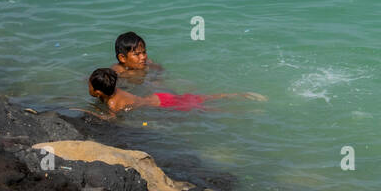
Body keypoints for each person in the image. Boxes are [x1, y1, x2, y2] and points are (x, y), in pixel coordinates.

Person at [87, 68, 264, 114]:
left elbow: (113, 117)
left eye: (89, 85)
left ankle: (246, 111)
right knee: (202, 98)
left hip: (164, 104)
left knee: (206, 109)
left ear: (98, 91)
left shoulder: (112, 103)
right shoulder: (115, 90)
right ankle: (241, 95)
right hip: (160, 97)